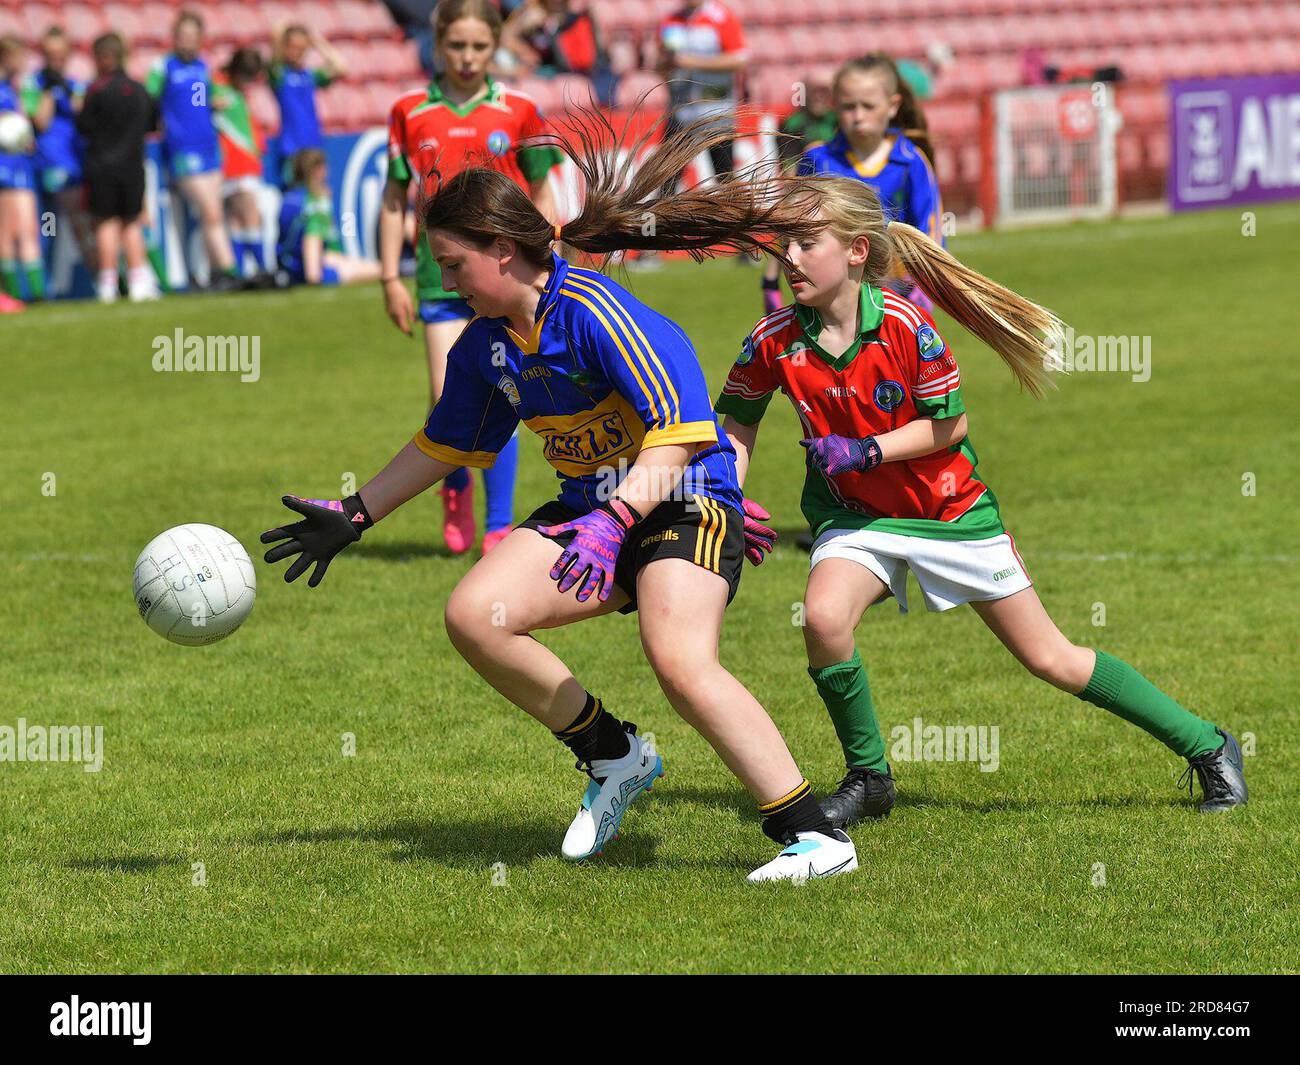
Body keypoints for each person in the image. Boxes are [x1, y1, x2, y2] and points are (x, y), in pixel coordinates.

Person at [260, 112, 861, 883]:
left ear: (502, 251)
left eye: (453, 264)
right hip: (594, 512)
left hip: (686, 499)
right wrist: (354, 513)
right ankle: (614, 755)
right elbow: (444, 444)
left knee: (678, 658)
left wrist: (615, 522)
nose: (446, 282)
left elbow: (682, 434)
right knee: (475, 615)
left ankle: (815, 836)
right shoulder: (488, 343)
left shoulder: (594, 311)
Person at [716, 175, 1248, 827]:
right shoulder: (772, 337)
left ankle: (1208, 744)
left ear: (857, 250)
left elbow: (950, 425)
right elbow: (736, 421)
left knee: (1049, 657)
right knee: (824, 618)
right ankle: (870, 777)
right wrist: (727, 492)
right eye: (783, 243)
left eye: (805, 242)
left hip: (951, 516)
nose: (786, 257)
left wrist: (870, 450)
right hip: (857, 519)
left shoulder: (908, 327)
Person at [381, 0, 562, 557]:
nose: (467, 57)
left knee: (507, 389)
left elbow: (543, 191)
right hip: (441, 281)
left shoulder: (521, 110)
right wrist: (390, 276)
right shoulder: (410, 111)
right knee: (447, 394)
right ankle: (454, 488)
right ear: (438, 46)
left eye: (479, 46)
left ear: (494, 47)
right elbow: (395, 199)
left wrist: (550, 256)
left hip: (507, 276)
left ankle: (499, 524)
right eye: (456, 46)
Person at [764, 54, 942, 316]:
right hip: (829, 298)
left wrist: (927, 287)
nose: (858, 116)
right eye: (848, 107)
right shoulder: (818, 160)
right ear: (835, 106)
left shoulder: (910, 161)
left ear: (892, 106)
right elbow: (792, 225)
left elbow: (932, 230)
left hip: (898, 297)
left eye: (868, 106)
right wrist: (770, 280)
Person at [634, 0, 748, 272]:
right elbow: (661, 68)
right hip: (681, 114)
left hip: (715, 114)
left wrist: (692, 61)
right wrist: (664, 62)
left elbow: (739, 58)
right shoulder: (670, 21)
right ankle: (650, 250)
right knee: (664, 182)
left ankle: (748, 245)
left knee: (726, 181)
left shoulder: (721, 17)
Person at [146, 11, 239, 290]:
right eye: (182, 36)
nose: (187, 42)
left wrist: (212, 103)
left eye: (192, 36)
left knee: (215, 213)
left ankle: (215, 274)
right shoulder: (164, 68)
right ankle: (229, 270)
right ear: (174, 38)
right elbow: (148, 100)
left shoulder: (202, 67)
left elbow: (198, 102)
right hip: (184, 151)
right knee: (210, 211)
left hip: (209, 147)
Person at [78, 33, 159, 304]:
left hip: (102, 167)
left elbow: (83, 127)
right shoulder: (140, 89)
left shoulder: (96, 91)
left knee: (106, 224)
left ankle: (108, 284)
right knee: (132, 222)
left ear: (103, 58)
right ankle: (138, 282)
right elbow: (153, 126)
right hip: (134, 167)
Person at [30, 27, 96, 277]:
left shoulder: (75, 85)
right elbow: (40, 121)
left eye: (60, 54)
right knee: (50, 226)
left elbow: (84, 114)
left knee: (80, 225)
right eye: (49, 54)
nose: (55, 60)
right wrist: (49, 91)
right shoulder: (34, 83)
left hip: (75, 164)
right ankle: (46, 282)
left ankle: (104, 278)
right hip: (49, 165)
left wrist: (66, 91)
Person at [276, 148, 382, 285]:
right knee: (377, 269)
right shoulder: (315, 202)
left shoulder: (289, 198)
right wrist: (314, 273)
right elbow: (312, 238)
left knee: (363, 265)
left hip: (289, 266)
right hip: (308, 267)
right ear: (317, 171)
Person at [269, 22, 346, 188]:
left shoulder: (309, 75)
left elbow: (340, 67)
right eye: (293, 47)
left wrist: (317, 41)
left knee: (317, 194)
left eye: (302, 48)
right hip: (291, 148)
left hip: (314, 144)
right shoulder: (280, 74)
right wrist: (287, 28)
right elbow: (276, 32)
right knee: (296, 196)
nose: (297, 52)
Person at [215, 47, 268, 278]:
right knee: (248, 212)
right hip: (231, 160)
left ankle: (243, 272)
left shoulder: (240, 92)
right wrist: (206, 103)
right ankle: (263, 267)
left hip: (246, 158)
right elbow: (194, 103)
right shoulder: (214, 82)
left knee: (238, 218)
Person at [501, 1, 617, 107]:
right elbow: (503, 36)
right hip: (544, 72)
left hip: (575, 72)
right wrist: (524, 50)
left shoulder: (577, 15)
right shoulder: (531, 13)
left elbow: (595, 50)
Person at [0, 36, 44, 304]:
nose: (25, 63)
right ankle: (12, 294)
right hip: (4, 166)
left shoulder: (15, 88)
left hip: (20, 164)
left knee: (27, 228)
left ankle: (36, 294)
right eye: (20, 57)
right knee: (6, 231)